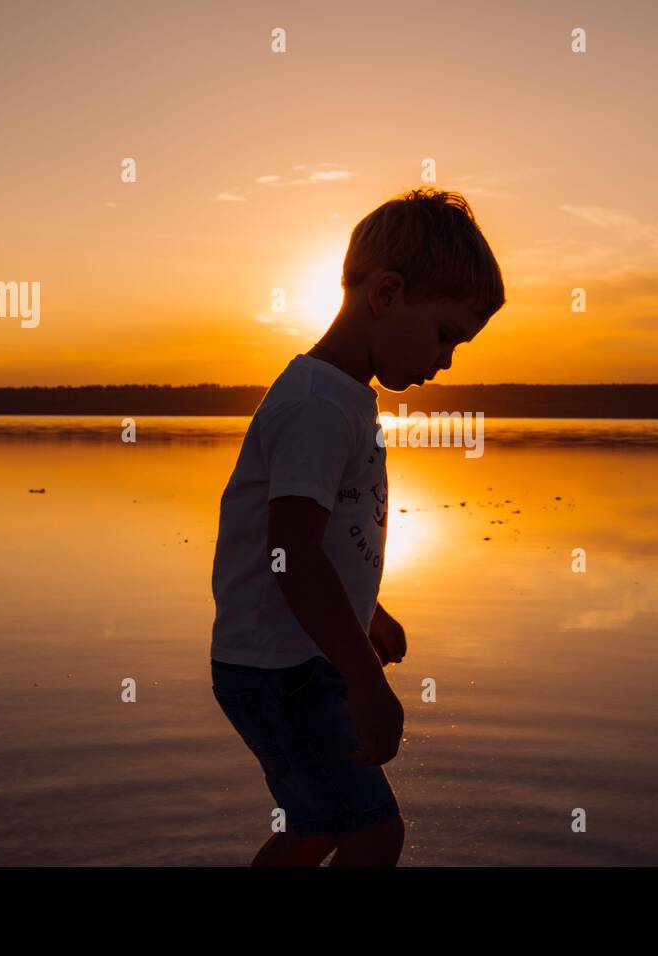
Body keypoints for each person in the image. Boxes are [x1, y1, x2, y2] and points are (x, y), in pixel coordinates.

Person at [209, 187, 505, 865]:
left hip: (279, 661)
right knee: (373, 833)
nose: (447, 361)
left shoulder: (339, 398)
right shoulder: (319, 406)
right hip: (285, 672)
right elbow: (292, 551)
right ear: (388, 294)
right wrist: (366, 680)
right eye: (445, 335)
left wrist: (367, 611)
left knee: (312, 830)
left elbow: (316, 548)